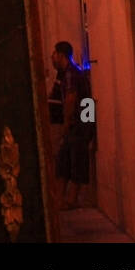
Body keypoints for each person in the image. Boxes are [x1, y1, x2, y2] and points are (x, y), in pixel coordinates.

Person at [52, 41, 93, 210]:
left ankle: (69, 200)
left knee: (75, 161)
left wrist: (67, 123)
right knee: (64, 161)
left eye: (54, 54)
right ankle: (61, 200)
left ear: (61, 55)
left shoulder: (71, 74)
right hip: (80, 123)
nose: (52, 58)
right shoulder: (66, 74)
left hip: (78, 125)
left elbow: (71, 99)